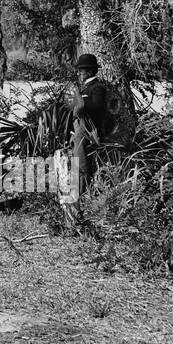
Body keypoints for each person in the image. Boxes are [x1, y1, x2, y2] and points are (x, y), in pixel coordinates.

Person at [59, 53, 112, 225]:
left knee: (80, 167)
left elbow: (96, 108)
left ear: (88, 72)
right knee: (74, 164)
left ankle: (81, 204)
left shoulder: (97, 88)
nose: (79, 74)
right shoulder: (84, 89)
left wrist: (80, 100)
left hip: (87, 132)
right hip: (78, 131)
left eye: (81, 71)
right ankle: (77, 206)